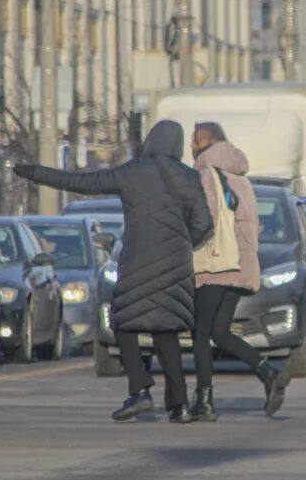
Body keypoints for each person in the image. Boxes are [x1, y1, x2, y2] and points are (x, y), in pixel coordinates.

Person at [15, 121, 212, 423]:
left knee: (124, 322)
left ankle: (140, 390)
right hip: (176, 266)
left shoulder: (131, 172)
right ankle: (180, 405)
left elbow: (83, 183)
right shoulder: (188, 177)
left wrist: (35, 173)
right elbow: (204, 224)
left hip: (137, 260)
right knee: (167, 332)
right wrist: (183, 245)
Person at [188, 123, 291, 421]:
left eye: (194, 141)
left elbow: (202, 221)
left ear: (205, 142)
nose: (191, 148)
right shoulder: (241, 178)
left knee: (201, 332)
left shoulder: (207, 174)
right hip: (239, 264)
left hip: (215, 263)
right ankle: (267, 372)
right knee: (220, 331)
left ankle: (204, 402)